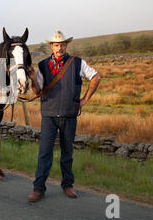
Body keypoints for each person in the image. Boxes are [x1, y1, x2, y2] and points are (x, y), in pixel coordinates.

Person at [27, 31, 101, 202]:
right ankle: (38, 188)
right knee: (44, 152)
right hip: (49, 115)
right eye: (56, 45)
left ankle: (67, 185)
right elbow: (38, 90)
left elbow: (96, 78)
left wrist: (85, 99)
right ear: (51, 47)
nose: (59, 48)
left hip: (69, 114)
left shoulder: (77, 63)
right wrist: (33, 79)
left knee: (67, 152)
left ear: (66, 45)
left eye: (62, 45)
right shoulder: (43, 65)